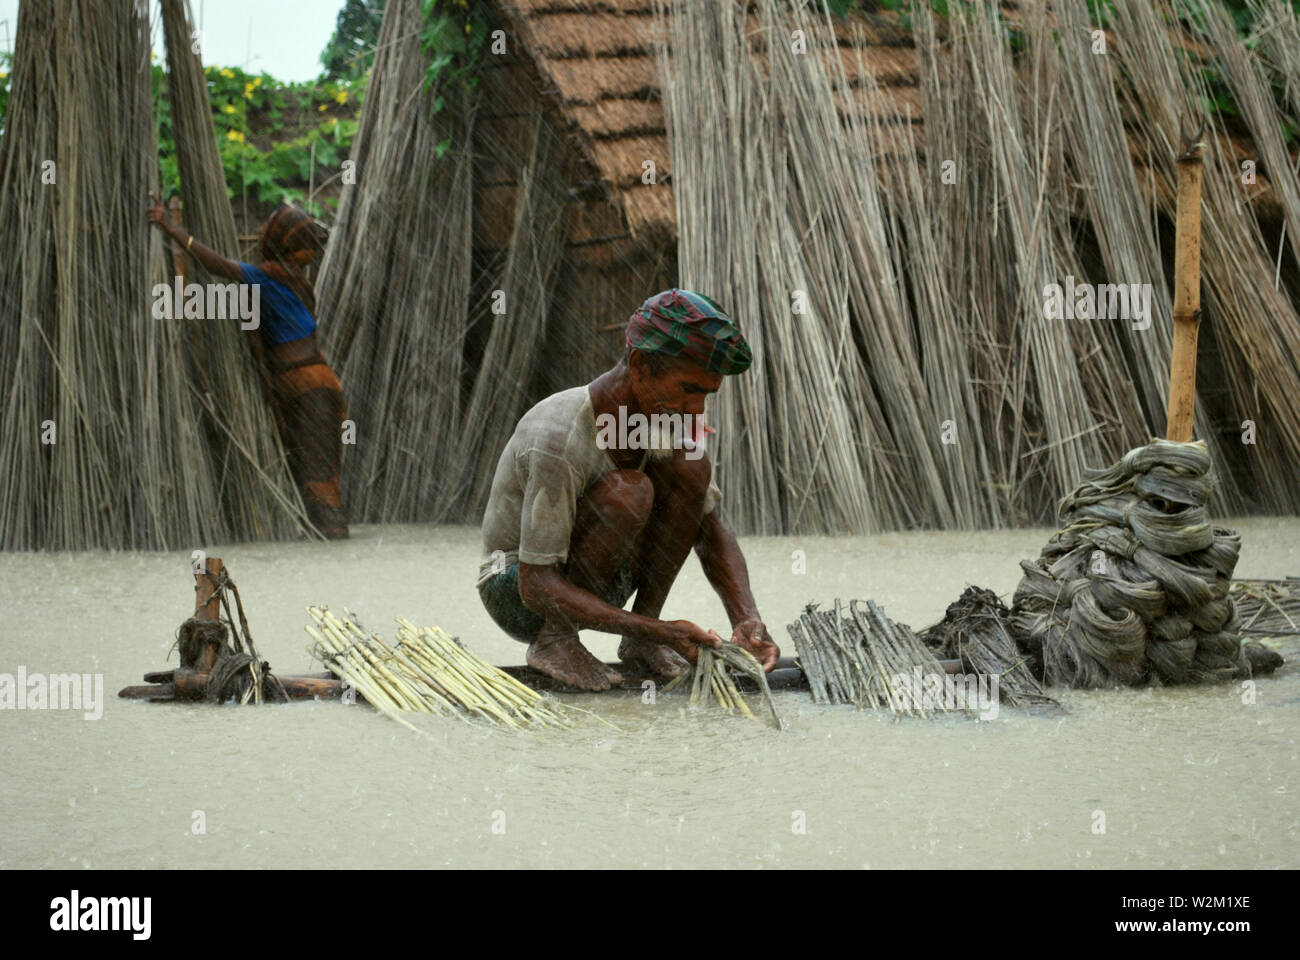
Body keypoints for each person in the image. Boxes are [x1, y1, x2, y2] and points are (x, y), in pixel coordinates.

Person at [477, 288, 779, 691]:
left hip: (593, 582)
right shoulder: (556, 433)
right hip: (516, 589)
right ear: (639, 366)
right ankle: (556, 640)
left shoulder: (665, 426)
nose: (697, 410)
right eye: (688, 389)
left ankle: (636, 641)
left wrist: (747, 619)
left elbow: (710, 531)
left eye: (706, 395)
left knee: (690, 464)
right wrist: (662, 631)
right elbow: (535, 583)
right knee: (629, 492)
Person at [147, 197, 349, 539]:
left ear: (279, 240)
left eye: (269, 224)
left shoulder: (266, 280)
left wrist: (171, 227)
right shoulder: (294, 280)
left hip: (306, 386)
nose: (261, 228)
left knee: (317, 478)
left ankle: (333, 542)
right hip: (320, 383)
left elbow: (215, 265)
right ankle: (329, 545)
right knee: (319, 474)